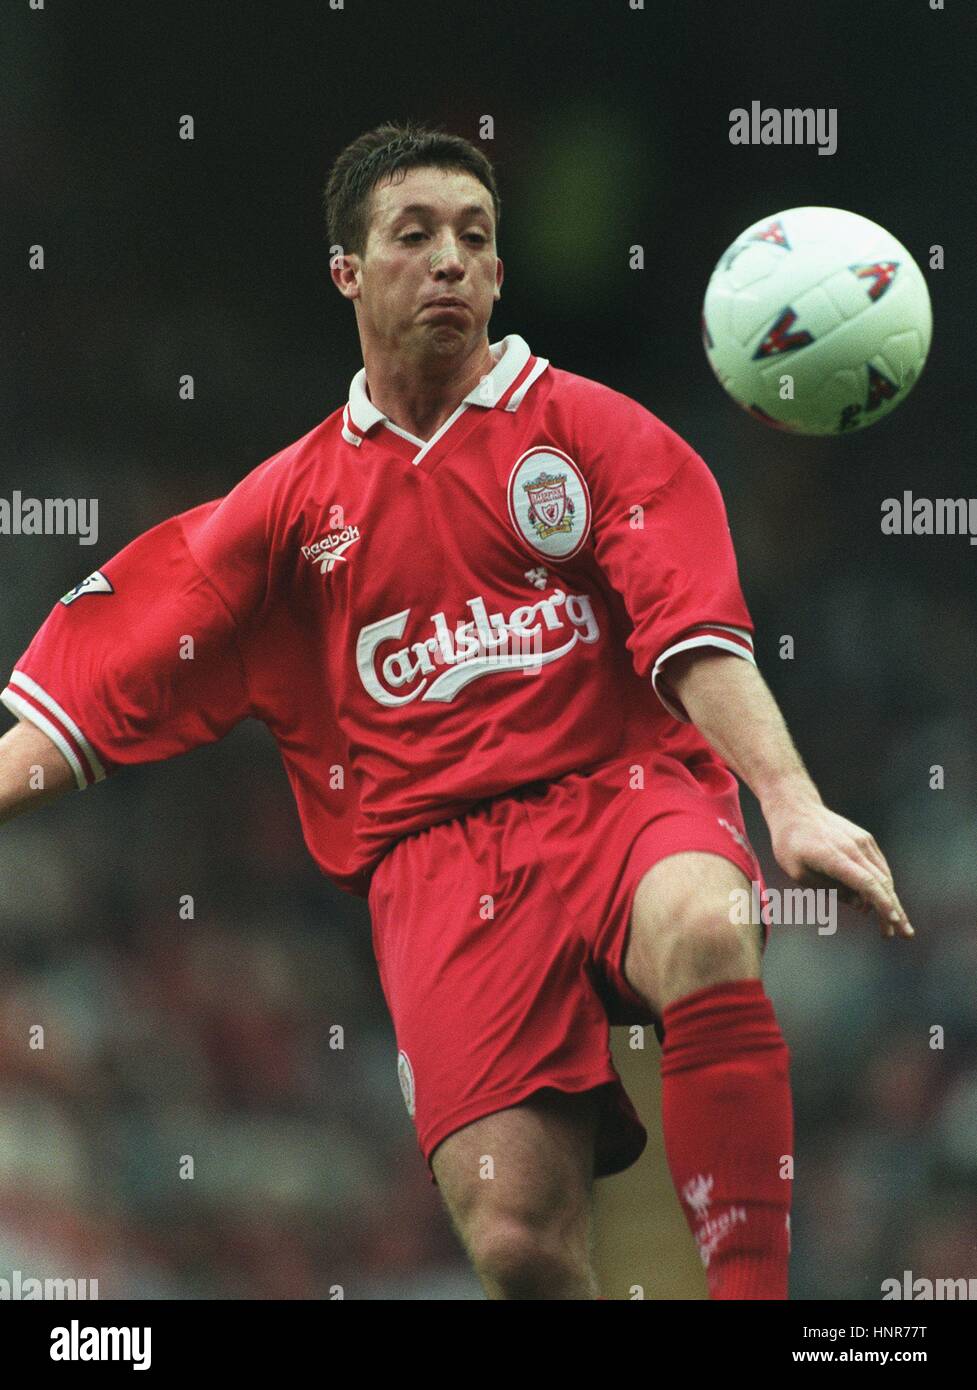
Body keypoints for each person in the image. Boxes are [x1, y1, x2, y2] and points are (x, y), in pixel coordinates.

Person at [0, 121, 911, 1300]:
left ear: (496, 274)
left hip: (621, 795)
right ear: (346, 271)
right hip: (433, 868)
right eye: (413, 234)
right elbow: (101, 689)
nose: (448, 260)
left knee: (701, 924)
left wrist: (788, 804)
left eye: (473, 238)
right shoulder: (289, 507)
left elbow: (693, 638)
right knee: (518, 1243)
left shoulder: (592, 433)